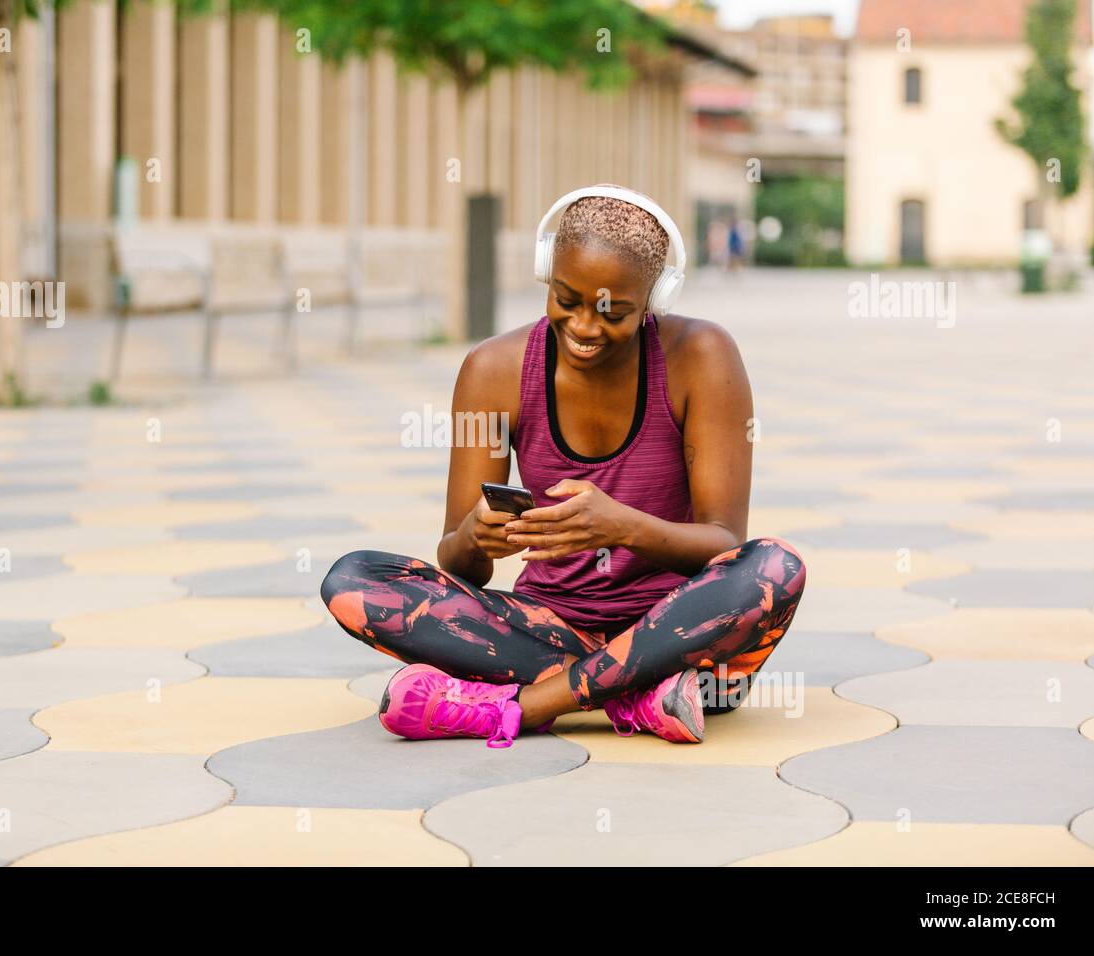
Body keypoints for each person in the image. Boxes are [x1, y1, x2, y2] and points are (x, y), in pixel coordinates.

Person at [321, 184, 805, 749]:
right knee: (354, 581)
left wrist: (623, 527)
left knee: (775, 568)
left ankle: (518, 708)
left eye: (614, 312)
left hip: (684, 637)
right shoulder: (492, 371)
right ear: (545, 273)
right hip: (546, 629)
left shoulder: (702, 356)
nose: (583, 327)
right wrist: (476, 538)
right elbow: (459, 565)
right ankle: (635, 694)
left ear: (657, 297)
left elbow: (724, 542)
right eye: (566, 299)